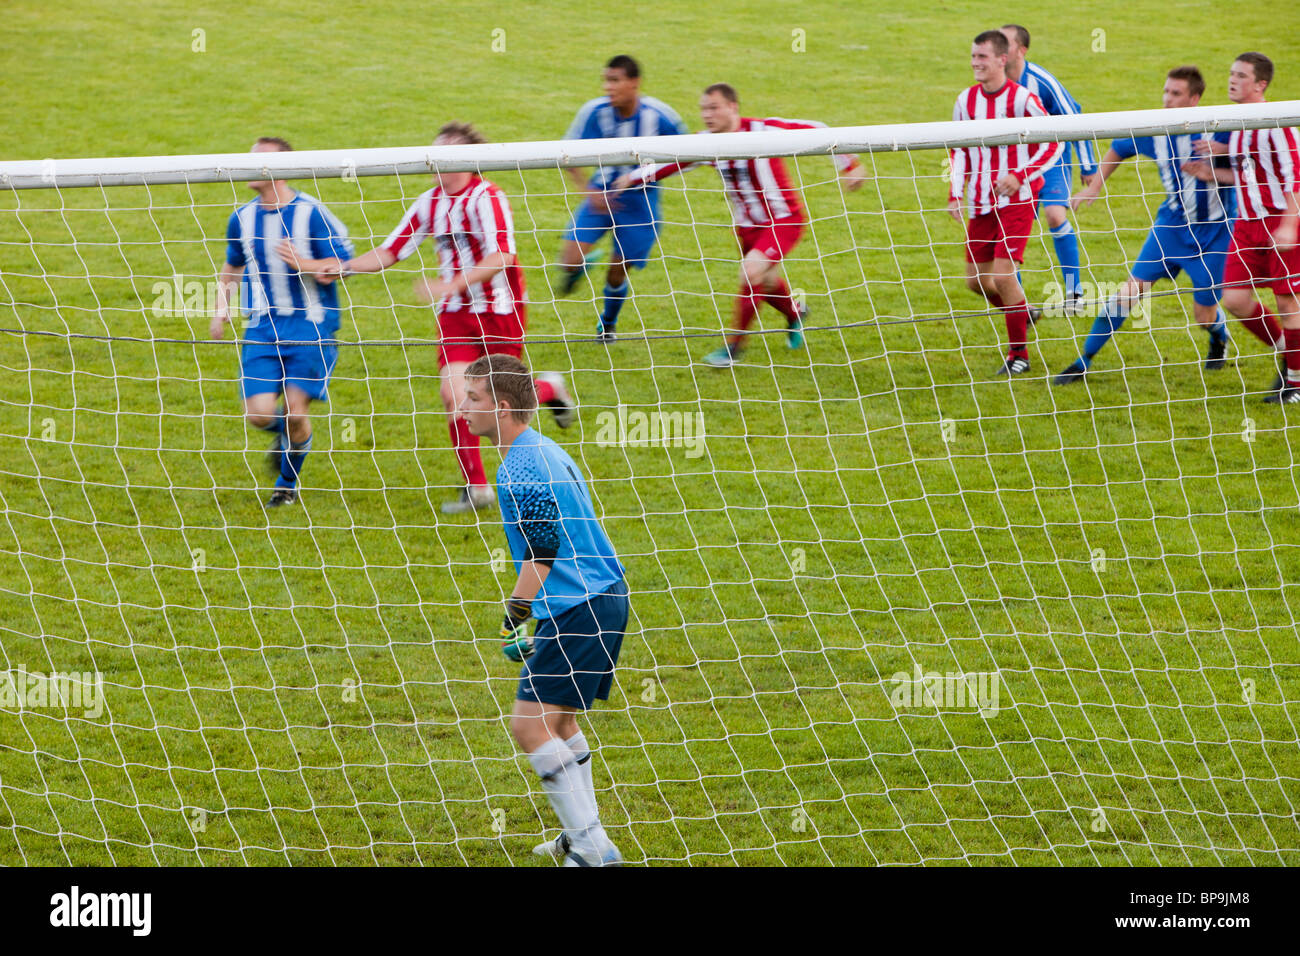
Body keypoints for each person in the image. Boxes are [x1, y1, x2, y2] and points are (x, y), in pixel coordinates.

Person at [288, 123, 576, 512]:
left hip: (499, 310)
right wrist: (342, 267)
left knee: (507, 402)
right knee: (454, 396)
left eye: (444, 152)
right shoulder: (429, 202)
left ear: (465, 158)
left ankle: (549, 388)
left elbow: (502, 256)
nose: (433, 159)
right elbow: (390, 251)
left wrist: (450, 284)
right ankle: (477, 488)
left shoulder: (488, 197)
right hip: (455, 315)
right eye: (433, 151)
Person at [459, 353, 630, 867]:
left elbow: (542, 549)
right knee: (559, 725)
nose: (463, 409)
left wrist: (514, 613)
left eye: (474, 399)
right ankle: (585, 839)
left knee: (529, 727)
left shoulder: (520, 467)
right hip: (603, 596)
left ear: (503, 408)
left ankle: (593, 850)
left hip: (581, 606)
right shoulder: (544, 447)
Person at [612, 83, 865, 367]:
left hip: (784, 220)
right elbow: (672, 161)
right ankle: (796, 313)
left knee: (751, 270)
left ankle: (733, 347)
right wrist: (633, 177)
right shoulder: (705, 142)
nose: (707, 115)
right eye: (703, 109)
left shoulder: (764, 132)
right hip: (747, 228)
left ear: (733, 107)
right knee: (766, 281)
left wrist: (849, 164)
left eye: (714, 108)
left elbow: (816, 129)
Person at [1055, 66, 1234, 385]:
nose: (1166, 99)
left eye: (1176, 94)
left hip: (1216, 234)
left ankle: (1218, 336)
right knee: (1127, 293)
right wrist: (1095, 185)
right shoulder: (1154, 129)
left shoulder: (1220, 129)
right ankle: (1083, 361)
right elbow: (1118, 149)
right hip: (1171, 227)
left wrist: (1217, 174)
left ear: (1194, 99)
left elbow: (1257, 170)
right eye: (1165, 91)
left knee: (1203, 316)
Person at [212, 136, 354, 508]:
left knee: (295, 412)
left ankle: (286, 485)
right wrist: (220, 308)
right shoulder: (242, 217)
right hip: (261, 329)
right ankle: (290, 437)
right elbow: (233, 264)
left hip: (310, 329)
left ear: (281, 169)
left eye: (258, 159)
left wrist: (304, 265)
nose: (248, 163)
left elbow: (343, 266)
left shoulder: (313, 214)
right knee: (259, 415)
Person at [948, 30, 1063, 376]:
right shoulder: (965, 101)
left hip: (1018, 200)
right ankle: (1023, 313)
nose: (975, 63)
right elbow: (958, 149)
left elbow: (1054, 140)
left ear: (1002, 59)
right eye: (972, 56)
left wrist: (1020, 175)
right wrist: (956, 192)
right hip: (980, 201)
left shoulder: (1022, 99)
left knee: (1003, 276)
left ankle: (1019, 355)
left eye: (982, 57)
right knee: (975, 282)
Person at [555, 55, 689, 342]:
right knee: (568, 261)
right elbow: (565, 154)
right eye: (605, 80)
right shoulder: (594, 112)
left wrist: (644, 176)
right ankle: (582, 263)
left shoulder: (661, 117)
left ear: (635, 83)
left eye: (615, 80)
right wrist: (588, 192)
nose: (608, 87)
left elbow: (684, 158)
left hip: (640, 205)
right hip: (601, 195)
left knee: (616, 274)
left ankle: (608, 323)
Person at [1199, 52, 1300, 403]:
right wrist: (1213, 172)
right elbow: (1250, 174)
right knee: (1235, 299)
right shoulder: (1238, 124)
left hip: (1279, 221)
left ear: (1261, 85)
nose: (1232, 80)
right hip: (1246, 224)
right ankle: (1292, 352)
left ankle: (1295, 383)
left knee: (1287, 302)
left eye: (1241, 76)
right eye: (1231, 73)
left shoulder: (1276, 124)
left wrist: (1289, 226)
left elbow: (1296, 179)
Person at [1001, 24, 1099, 314]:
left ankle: (1074, 293)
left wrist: (1088, 164)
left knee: (1055, 215)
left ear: (1022, 50)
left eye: (1005, 43)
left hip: (1051, 156)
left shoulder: (1041, 81)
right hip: (1015, 164)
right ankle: (1017, 301)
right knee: (1012, 229)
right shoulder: (993, 82)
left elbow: (1074, 115)